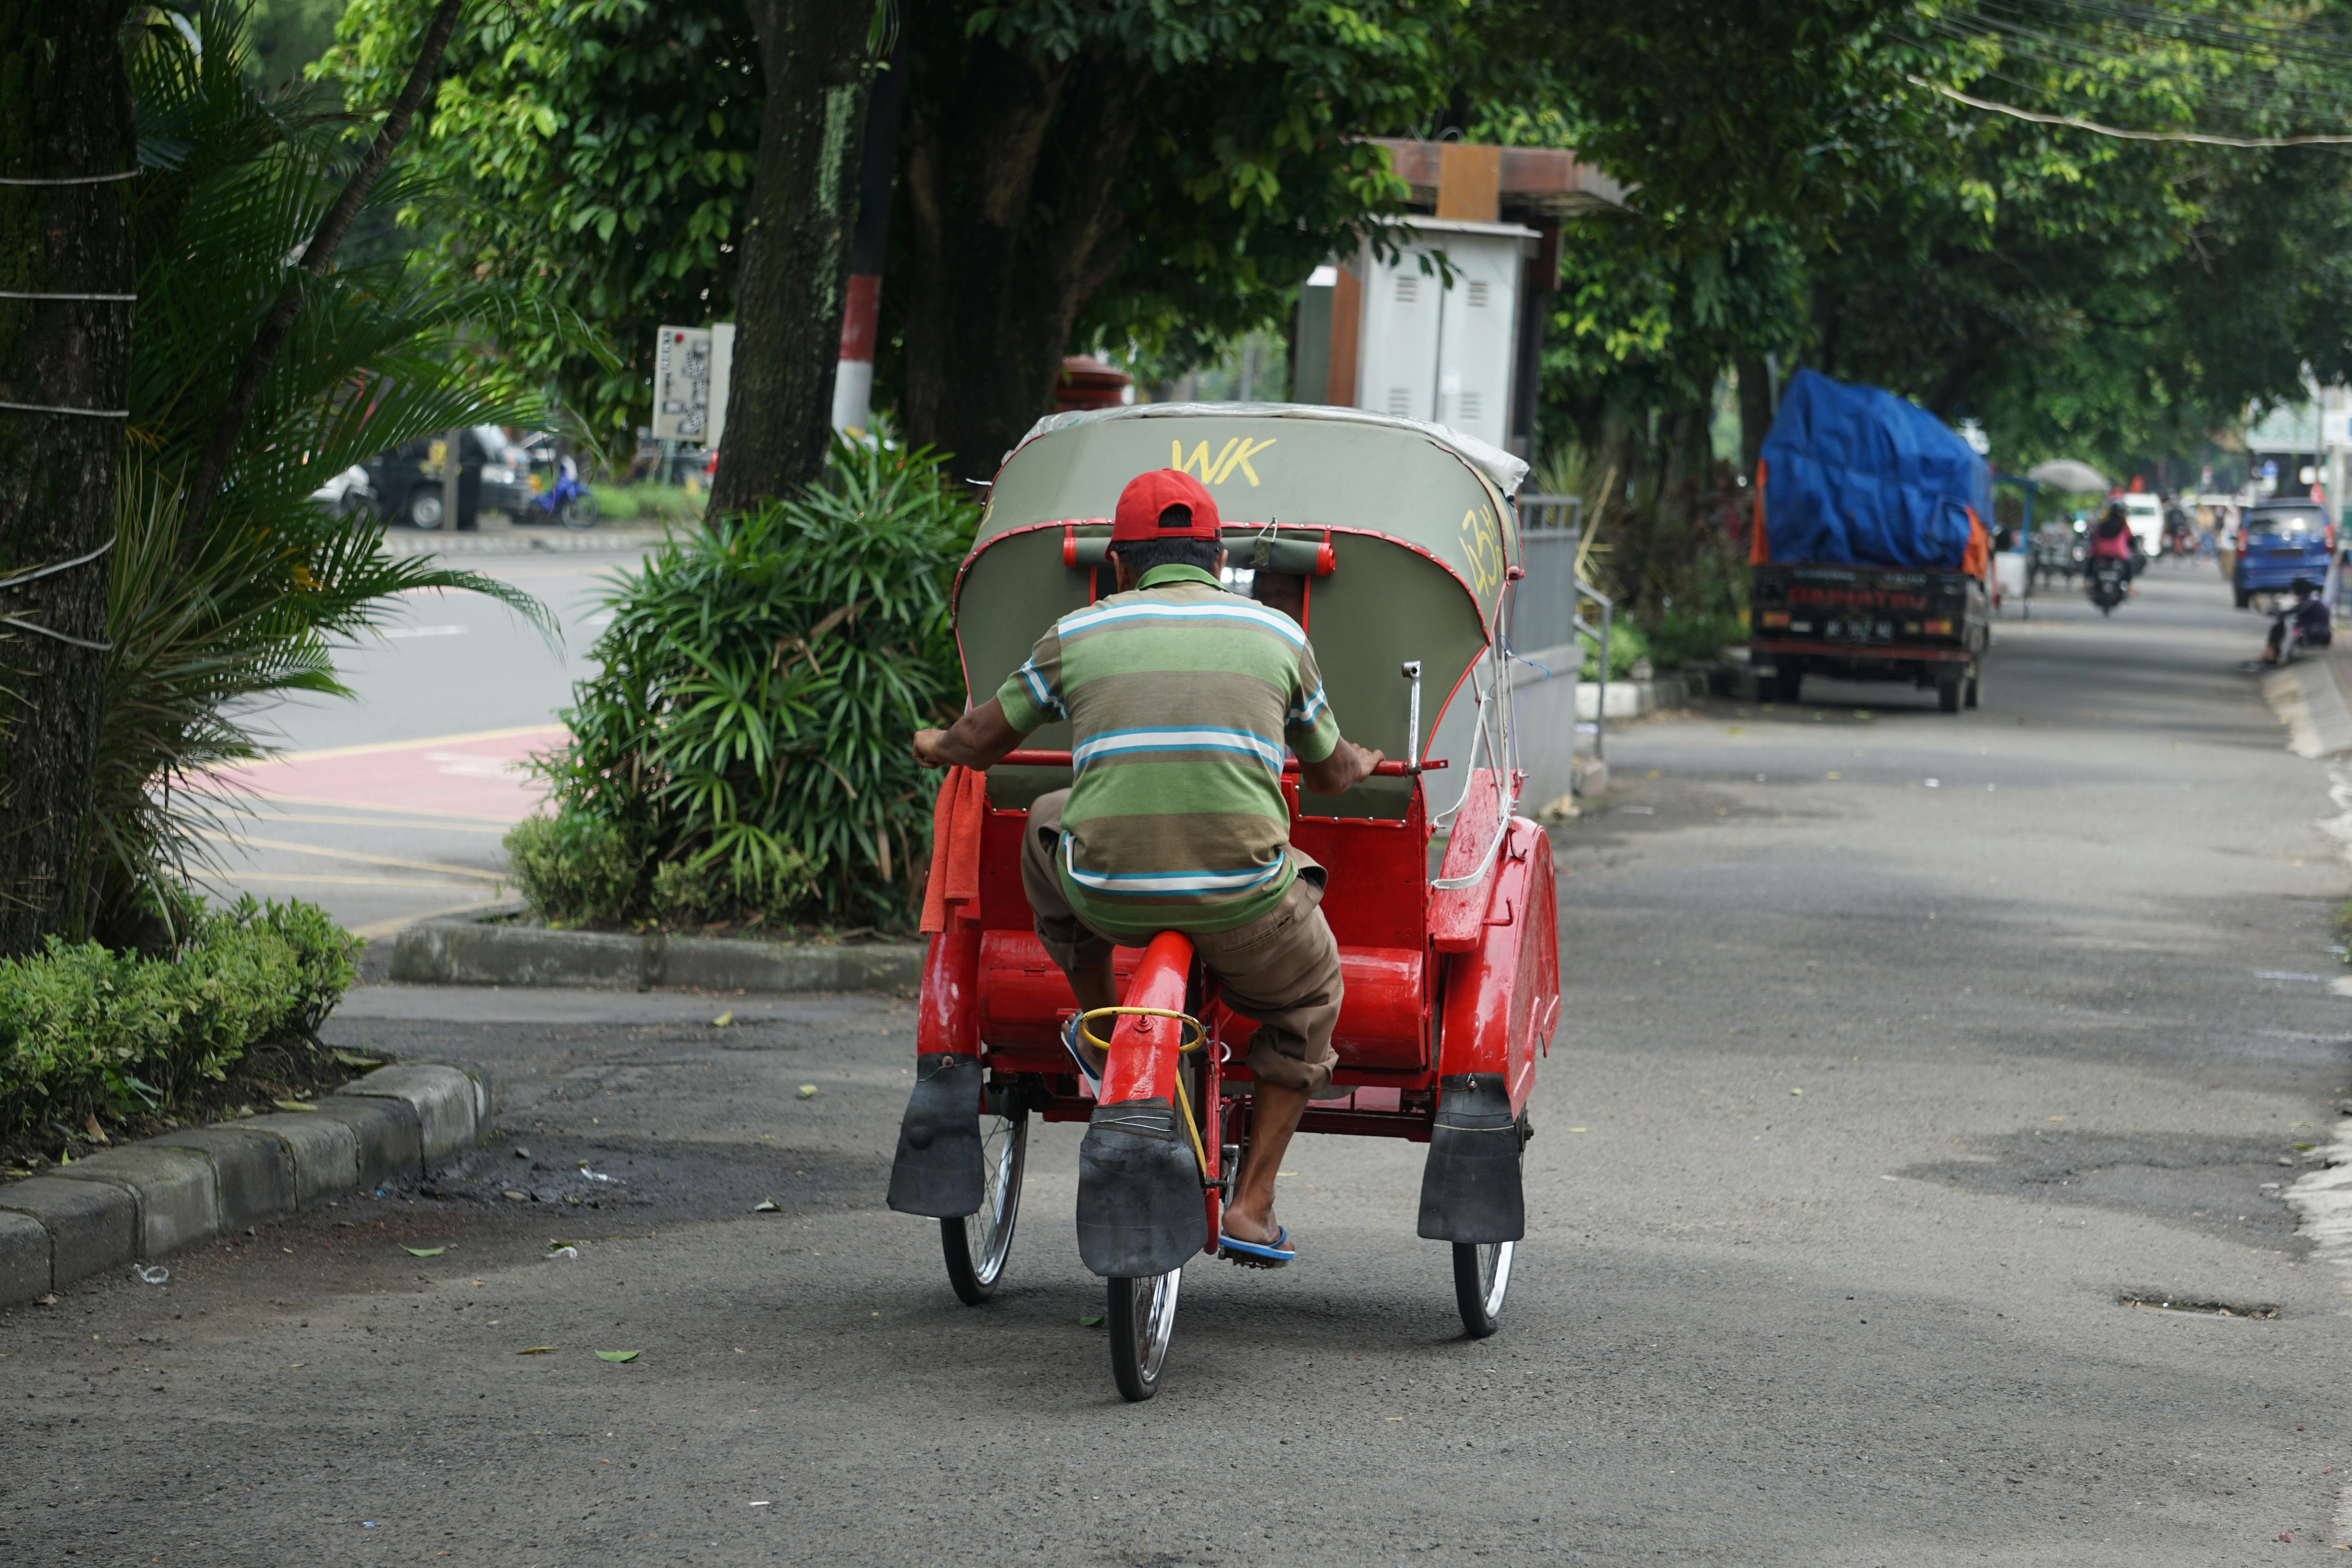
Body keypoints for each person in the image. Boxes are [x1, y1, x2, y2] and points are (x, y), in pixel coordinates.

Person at [911, 468, 1384, 1269]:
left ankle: (1100, 1021)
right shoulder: (1278, 636)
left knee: (1045, 825)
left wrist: (936, 744)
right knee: (1311, 997)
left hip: (1110, 893)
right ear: (1218, 556)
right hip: (1244, 905)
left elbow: (981, 738)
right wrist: (1362, 757)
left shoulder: (1080, 631)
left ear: (1122, 564)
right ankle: (1255, 1206)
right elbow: (1332, 773)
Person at [2265, 577, 2333, 664]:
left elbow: (2294, 611)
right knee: (2283, 625)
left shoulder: (2311, 601)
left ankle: (2272, 653)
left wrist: (2274, 611)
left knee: (2281, 626)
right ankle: (2273, 652)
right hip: (2316, 633)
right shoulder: (2311, 600)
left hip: (2317, 636)